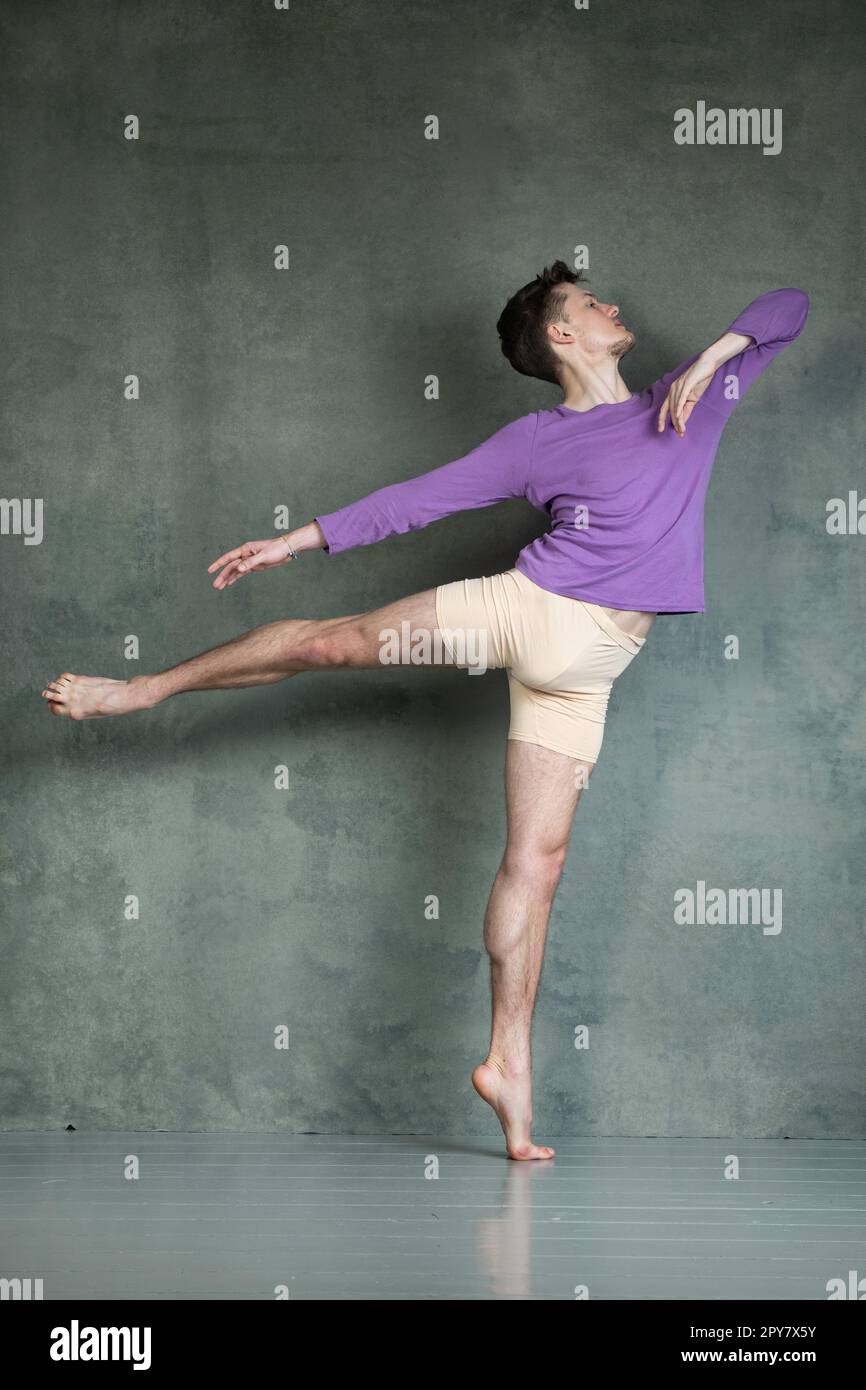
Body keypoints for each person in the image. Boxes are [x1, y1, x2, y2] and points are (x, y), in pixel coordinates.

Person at [41, 263, 809, 1160]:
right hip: (533, 611)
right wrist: (298, 538)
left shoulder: (692, 397)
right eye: (591, 303)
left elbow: (788, 308)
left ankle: (508, 1065)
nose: (612, 306)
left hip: (594, 664)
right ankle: (141, 689)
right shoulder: (535, 440)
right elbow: (420, 499)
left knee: (538, 861)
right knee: (332, 642)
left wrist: (718, 349)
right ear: (562, 336)